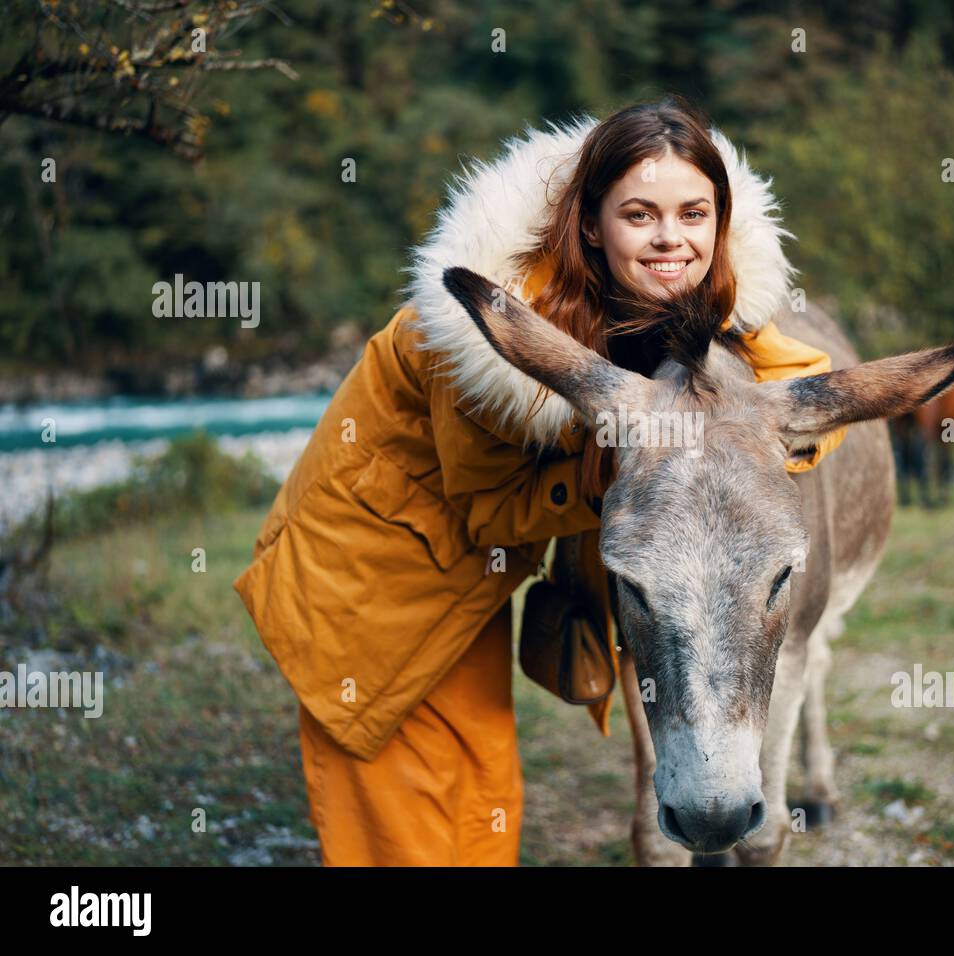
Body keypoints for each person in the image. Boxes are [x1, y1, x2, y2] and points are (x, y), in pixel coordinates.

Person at [232, 95, 845, 866]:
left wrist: (747, 441)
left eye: (694, 213)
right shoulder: (490, 345)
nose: (671, 238)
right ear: (591, 223)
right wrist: (622, 483)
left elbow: (788, 376)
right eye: (640, 214)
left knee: (484, 800)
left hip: (467, 586)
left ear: (722, 220)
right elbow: (489, 509)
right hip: (376, 582)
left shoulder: (659, 301)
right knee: (406, 829)